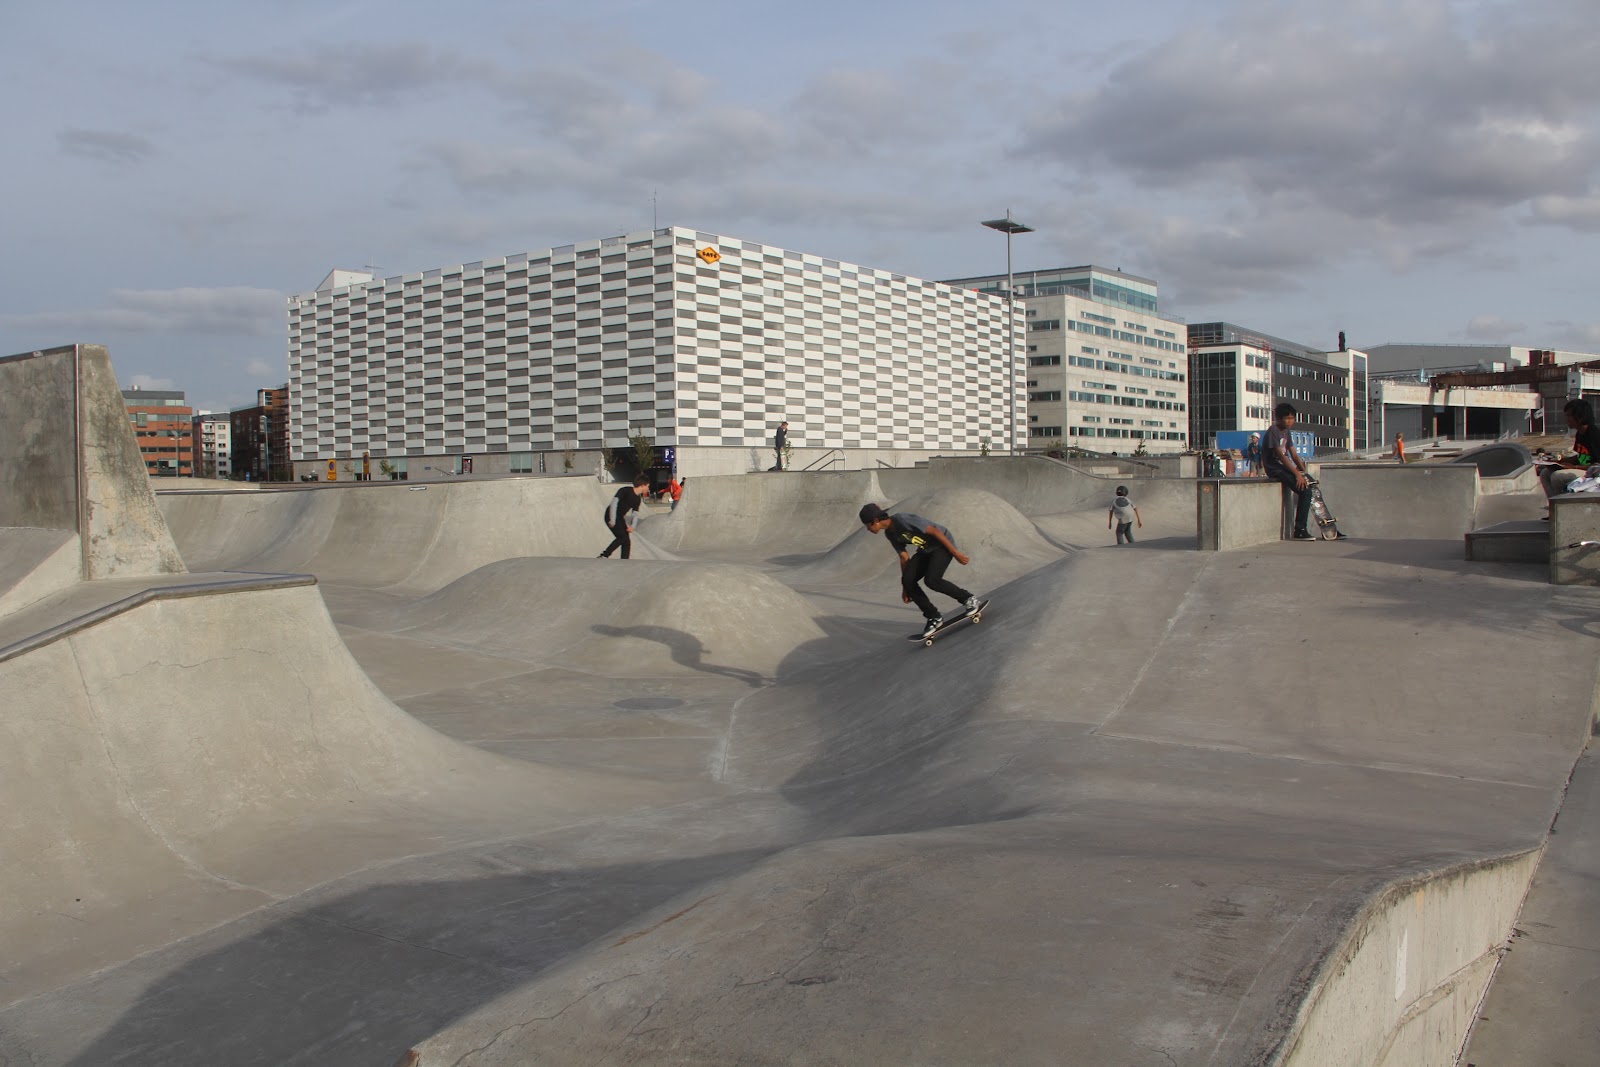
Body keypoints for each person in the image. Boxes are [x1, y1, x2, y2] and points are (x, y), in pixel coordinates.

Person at [859, 502, 980, 640]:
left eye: (867, 525)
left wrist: (955, 553)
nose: (868, 529)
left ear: (875, 520)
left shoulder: (902, 520)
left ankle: (969, 599)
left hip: (942, 544)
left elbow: (934, 531)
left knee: (932, 580)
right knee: (907, 580)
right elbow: (904, 557)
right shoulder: (890, 534)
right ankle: (933, 617)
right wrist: (906, 588)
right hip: (926, 550)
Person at [1263, 402, 1316, 541]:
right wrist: (1297, 475)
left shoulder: (1287, 432)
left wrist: (1304, 472)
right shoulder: (1273, 431)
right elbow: (1281, 455)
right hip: (1274, 468)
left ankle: (1325, 524)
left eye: (1292, 418)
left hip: (1283, 467)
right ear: (1278, 418)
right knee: (1305, 491)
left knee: (1310, 484)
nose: (1290, 421)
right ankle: (1300, 529)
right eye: (1287, 418)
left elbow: (1294, 454)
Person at [1539, 399, 1600, 511]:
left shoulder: (1595, 435)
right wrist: (1558, 461)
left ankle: (1562, 511)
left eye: (1569, 416)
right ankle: (1554, 508)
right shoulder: (1580, 434)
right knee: (1545, 473)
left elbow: (1597, 465)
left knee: (1558, 476)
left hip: (1594, 475)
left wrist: (1573, 467)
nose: (1567, 420)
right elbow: (1581, 457)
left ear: (1580, 417)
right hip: (1584, 470)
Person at [598, 473, 651, 559]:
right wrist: (612, 520)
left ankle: (624, 561)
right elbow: (614, 503)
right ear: (642, 485)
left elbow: (635, 513)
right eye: (647, 486)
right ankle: (604, 555)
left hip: (620, 517)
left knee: (626, 541)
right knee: (622, 537)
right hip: (611, 514)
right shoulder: (625, 490)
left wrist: (632, 526)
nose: (648, 489)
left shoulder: (637, 499)